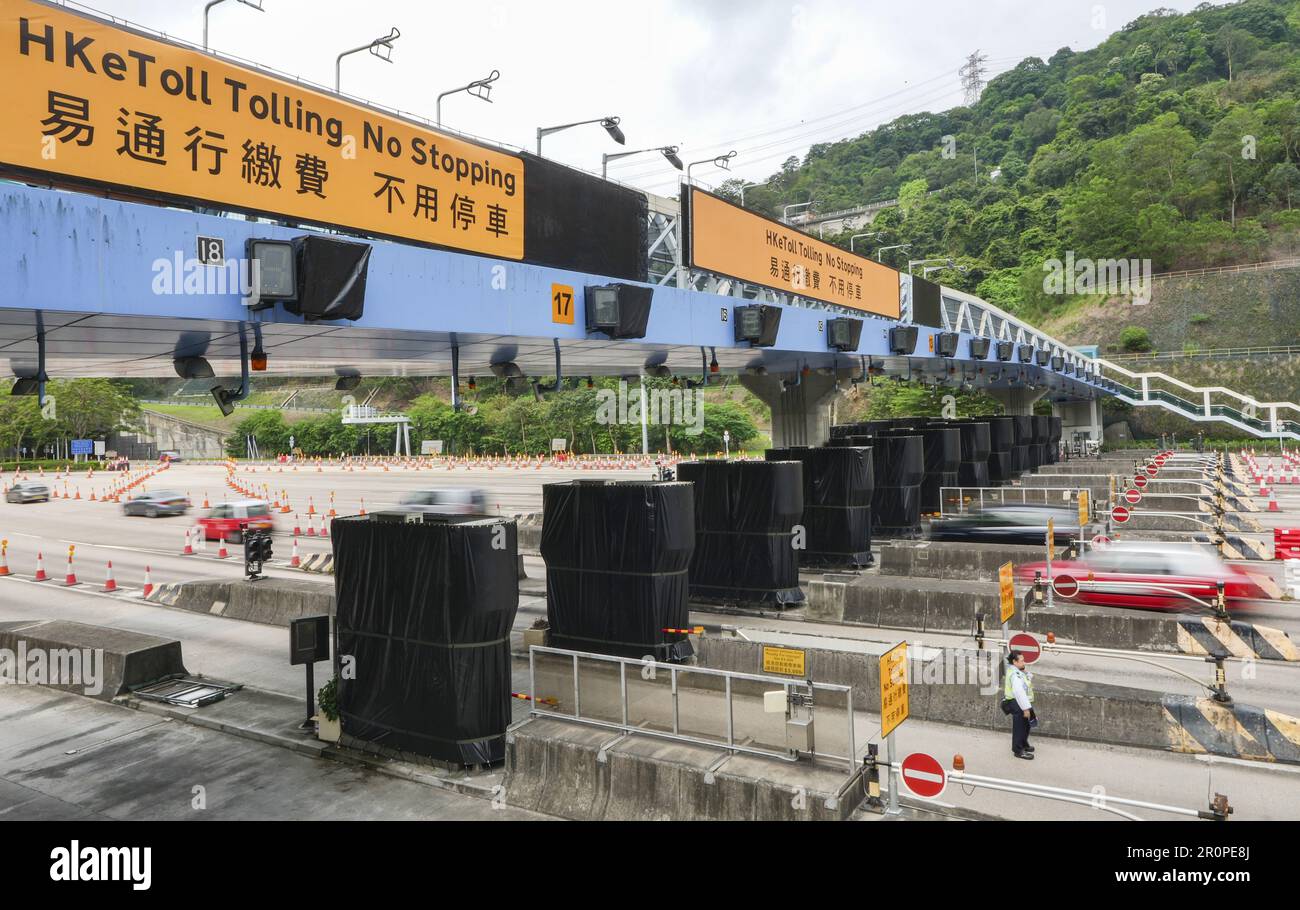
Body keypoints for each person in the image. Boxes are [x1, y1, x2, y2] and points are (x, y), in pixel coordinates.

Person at [1004, 650, 1036, 760]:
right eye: (1021, 661)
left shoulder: (1017, 670)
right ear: (1014, 662)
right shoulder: (1015, 674)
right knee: (1020, 726)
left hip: (1021, 702)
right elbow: (1019, 692)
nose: (1024, 662)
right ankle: (1018, 750)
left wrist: (1026, 674)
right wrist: (1026, 709)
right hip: (1017, 703)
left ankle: (1023, 744)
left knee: (1026, 724)